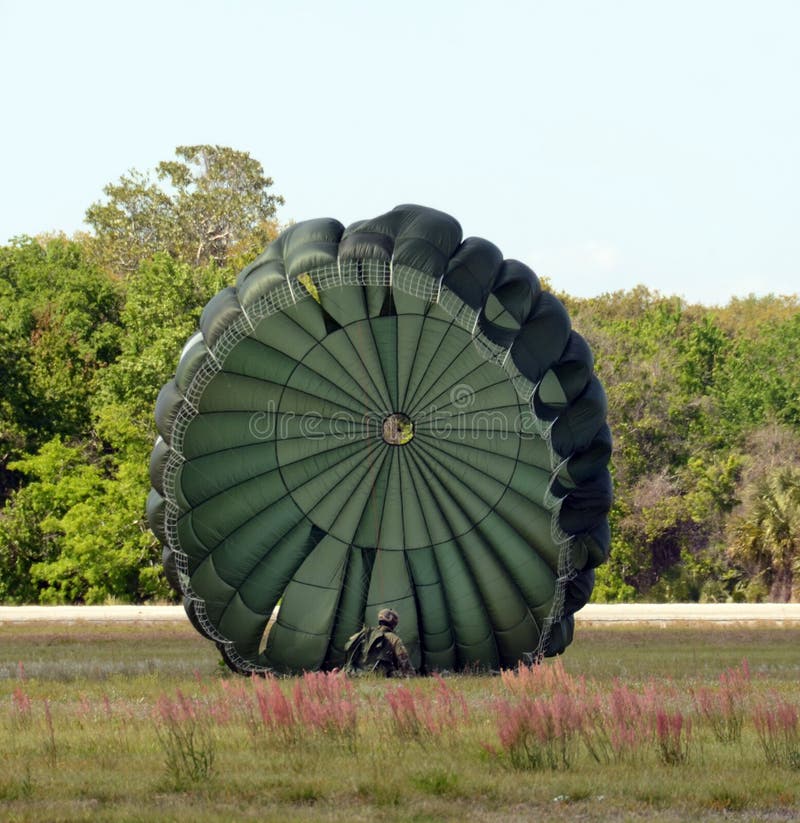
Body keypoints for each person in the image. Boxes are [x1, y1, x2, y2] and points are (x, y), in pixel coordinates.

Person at [344, 608, 414, 677]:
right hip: (380, 674)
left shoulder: (364, 633)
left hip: (356, 672)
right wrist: (411, 673)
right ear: (394, 623)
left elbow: (348, 645)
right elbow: (404, 660)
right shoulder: (394, 639)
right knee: (406, 674)